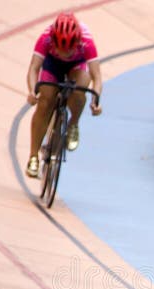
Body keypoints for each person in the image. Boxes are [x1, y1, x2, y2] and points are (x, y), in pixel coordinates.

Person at [25, 12, 103, 178]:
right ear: (53, 41)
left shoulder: (86, 42)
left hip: (78, 65)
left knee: (80, 88)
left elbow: (97, 77)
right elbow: (33, 68)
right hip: (52, 65)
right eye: (60, 48)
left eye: (69, 49)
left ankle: (73, 123)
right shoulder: (45, 38)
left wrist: (96, 100)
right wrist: (32, 91)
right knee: (45, 101)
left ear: (77, 42)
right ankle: (33, 156)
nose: (64, 53)